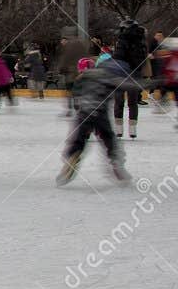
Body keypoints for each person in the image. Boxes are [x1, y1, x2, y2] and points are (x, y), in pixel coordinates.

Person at [59, 56, 132, 186]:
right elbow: (124, 85)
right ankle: (115, 160)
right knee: (109, 139)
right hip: (101, 115)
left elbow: (76, 99)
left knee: (78, 140)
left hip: (84, 114)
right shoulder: (106, 77)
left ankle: (73, 155)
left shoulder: (80, 80)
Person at [111, 17, 148, 138]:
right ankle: (132, 130)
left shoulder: (122, 40)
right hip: (135, 74)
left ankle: (119, 129)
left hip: (121, 73)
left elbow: (118, 57)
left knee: (119, 101)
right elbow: (144, 58)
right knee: (133, 102)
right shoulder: (142, 40)